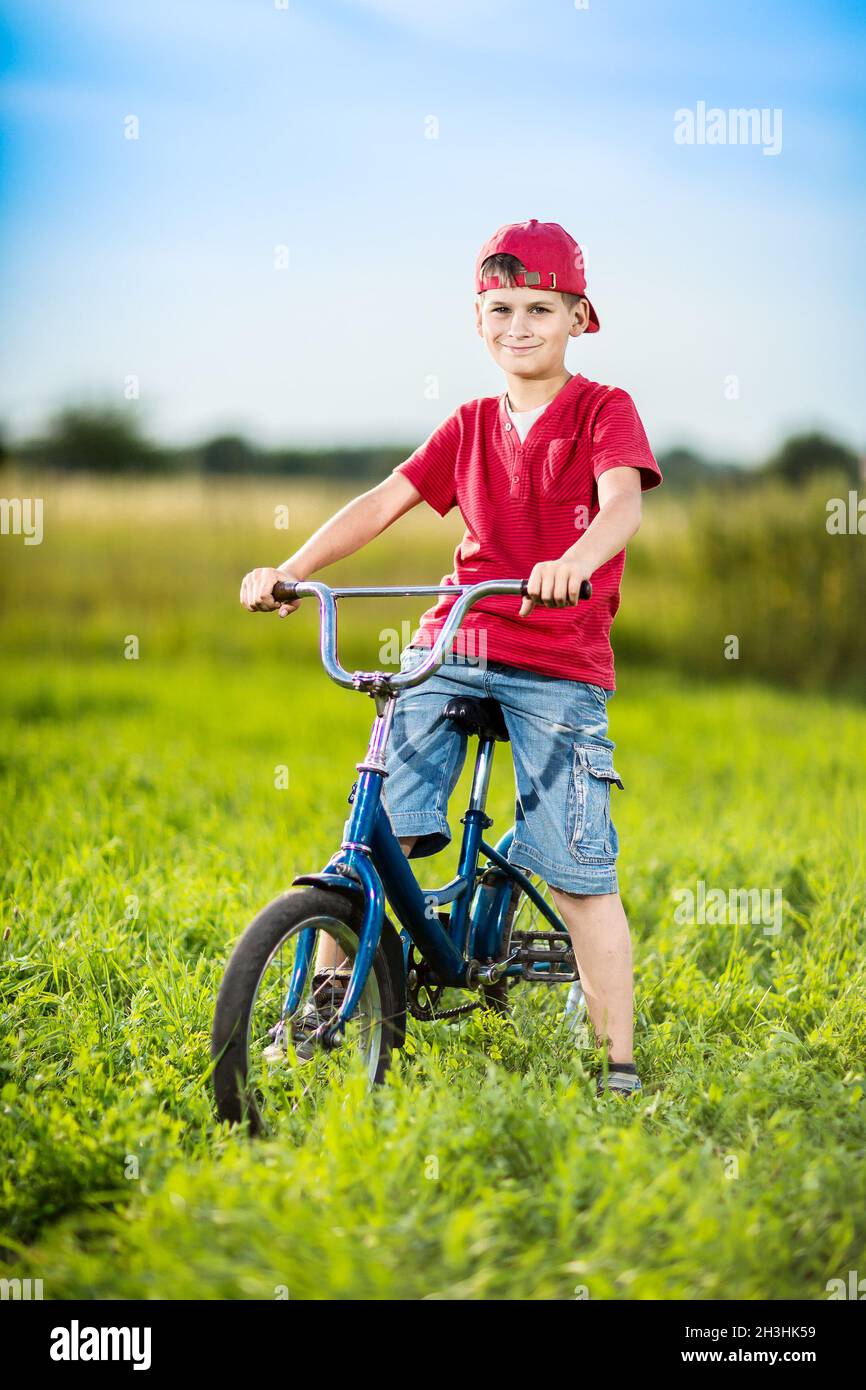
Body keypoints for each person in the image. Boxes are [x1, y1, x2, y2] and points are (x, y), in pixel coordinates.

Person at [240, 219, 662, 1097]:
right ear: (478, 321)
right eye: (501, 308)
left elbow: (620, 506)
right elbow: (384, 500)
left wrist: (575, 562)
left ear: (578, 316)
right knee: (368, 827)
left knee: (580, 873)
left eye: (541, 308)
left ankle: (618, 1064)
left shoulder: (602, 411)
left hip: (558, 656)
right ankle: (319, 1016)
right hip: (459, 638)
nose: (520, 325)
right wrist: (291, 571)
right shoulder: (469, 424)